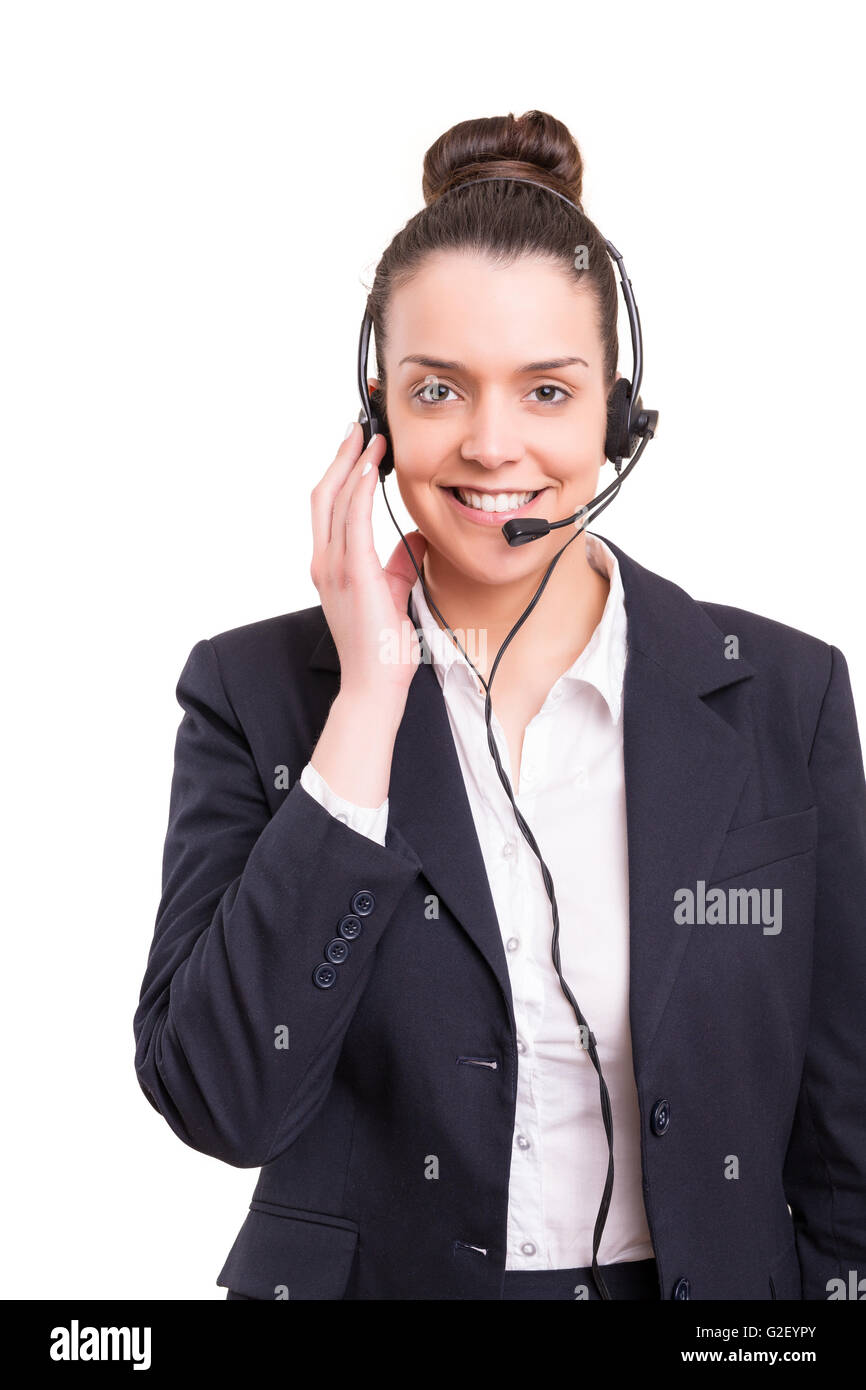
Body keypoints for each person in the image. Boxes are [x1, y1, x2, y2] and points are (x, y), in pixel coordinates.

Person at [133, 110, 866, 1301]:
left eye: (544, 390)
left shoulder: (785, 696)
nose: (489, 445)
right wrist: (366, 700)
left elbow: (849, 1127)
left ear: (613, 417)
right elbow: (221, 1100)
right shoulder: (255, 696)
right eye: (436, 390)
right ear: (375, 418)